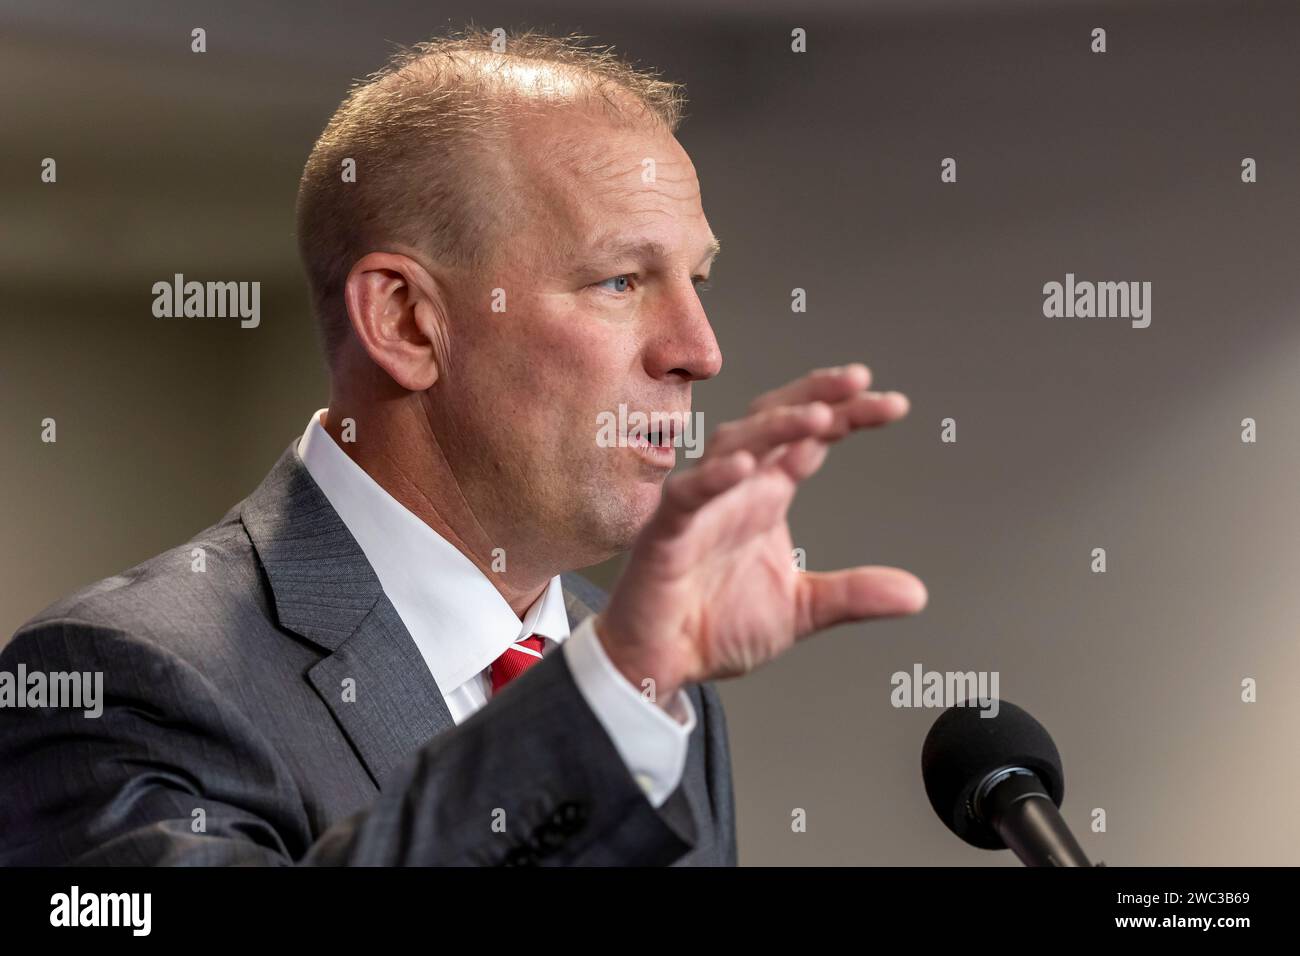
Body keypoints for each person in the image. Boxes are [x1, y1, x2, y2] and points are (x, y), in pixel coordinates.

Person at [0, 29, 926, 866]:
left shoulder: (649, 678)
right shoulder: (117, 679)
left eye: (698, 279)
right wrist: (603, 709)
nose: (699, 349)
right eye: (619, 280)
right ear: (407, 321)